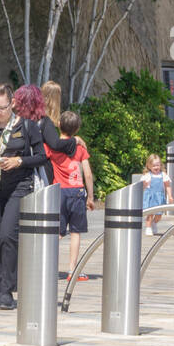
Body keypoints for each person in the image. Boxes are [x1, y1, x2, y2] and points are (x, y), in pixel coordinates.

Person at [0, 83, 49, 310]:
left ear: (13, 104)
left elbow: (42, 156)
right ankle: (1, 292)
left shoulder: (27, 127)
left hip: (19, 185)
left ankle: (9, 287)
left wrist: (19, 161)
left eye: (2, 108)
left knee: (8, 236)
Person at [50, 110, 95, 278]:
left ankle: (46, 265)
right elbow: (88, 174)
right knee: (75, 232)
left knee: (58, 232)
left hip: (59, 192)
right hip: (77, 192)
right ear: (77, 129)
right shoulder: (80, 149)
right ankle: (72, 269)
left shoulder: (52, 146)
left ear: (59, 125)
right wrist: (90, 197)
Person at [141, 153, 173, 236]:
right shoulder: (147, 176)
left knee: (159, 214)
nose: (156, 167)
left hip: (159, 197)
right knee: (150, 213)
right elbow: (142, 187)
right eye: (154, 166)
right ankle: (148, 228)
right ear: (149, 166)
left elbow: (167, 186)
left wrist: (170, 196)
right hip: (150, 197)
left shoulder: (163, 175)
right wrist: (145, 184)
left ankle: (154, 223)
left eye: (158, 165)